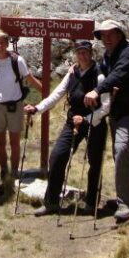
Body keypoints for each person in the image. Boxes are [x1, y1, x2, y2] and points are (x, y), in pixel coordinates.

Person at [24, 40, 110, 216]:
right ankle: (51, 203)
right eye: (79, 52)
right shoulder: (72, 73)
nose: (82, 55)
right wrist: (37, 108)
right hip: (73, 122)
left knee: (94, 162)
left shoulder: (100, 75)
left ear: (91, 53)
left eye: (85, 52)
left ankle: (91, 203)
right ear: (75, 54)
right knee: (57, 156)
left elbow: (107, 106)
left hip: (95, 123)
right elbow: (56, 95)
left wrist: (87, 119)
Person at [84, 19, 129, 223]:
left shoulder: (128, 53)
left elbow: (118, 75)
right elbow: (105, 73)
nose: (106, 39)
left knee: (121, 150)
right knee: (126, 152)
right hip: (116, 111)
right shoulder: (107, 55)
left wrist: (97, 90)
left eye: (110, 34)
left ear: (119, 34)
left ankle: (124, 204)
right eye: (103, 35)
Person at [0, 30, 43, 195]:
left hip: (15, 106)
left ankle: (15, 172)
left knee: (15, 142)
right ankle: (4, 172)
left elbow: (30, 80)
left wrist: (48, 95)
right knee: (0, 143)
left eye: (2, 42)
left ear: (7, 43)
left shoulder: (17, 61)